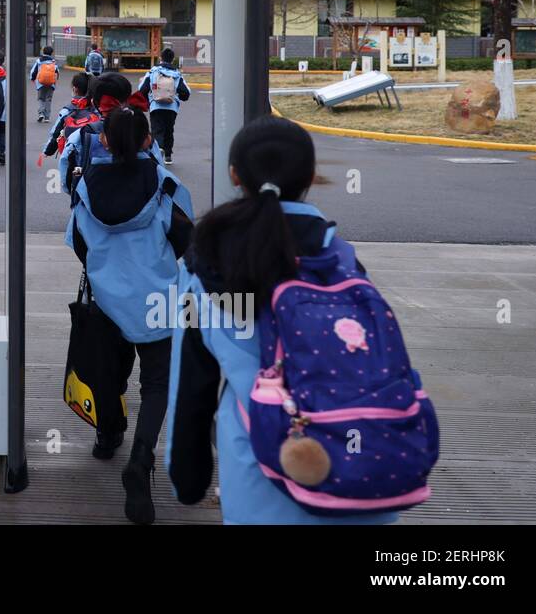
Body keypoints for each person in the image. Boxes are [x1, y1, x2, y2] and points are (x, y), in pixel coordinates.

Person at [165, 118, 401, 525]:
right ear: (311, 176)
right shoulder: (343, 260)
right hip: (358, 472)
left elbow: (192, 381)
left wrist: (188, 477)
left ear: (234, 175)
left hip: (261, 468)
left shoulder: (204, 265)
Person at [66, 104, 193, 525]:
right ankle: (140, 460)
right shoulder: (165, 183)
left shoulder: (85, 189)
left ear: (103, 140)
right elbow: (185, 239)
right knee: (156, 384)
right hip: (157, 300)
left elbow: (78, 243)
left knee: (111, 374)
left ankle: (107, 436)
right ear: (148, 140)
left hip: (106, 301)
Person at [138, 47, 191, 166]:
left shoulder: (153, 72)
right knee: (169, 130)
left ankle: (158, 150)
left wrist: (149, 100)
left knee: (157, 130)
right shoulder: (177, 74)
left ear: (161, 58)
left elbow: (142, 89)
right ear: (172, 60)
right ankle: (168, 155)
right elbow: (186, 93)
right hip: (171, 108)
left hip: (155, 106)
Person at [41, 72, 98, 164]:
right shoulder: (97, 109)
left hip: (71, 155)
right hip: (93, 156)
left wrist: (47, 151)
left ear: (75, 89)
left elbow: (56, 133)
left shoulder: (68, 110)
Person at [29, 44, 59, 122]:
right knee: (48, 99)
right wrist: (55, 82)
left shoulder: (39, 61)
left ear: (43, 52)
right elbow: (57, 72)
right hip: (51, 83)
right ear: (51, 53)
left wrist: (32, 79)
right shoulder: (53, 62)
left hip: (41, 83)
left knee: (41, 98)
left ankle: (41, 113)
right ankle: (47, 117)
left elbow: (33, 72)